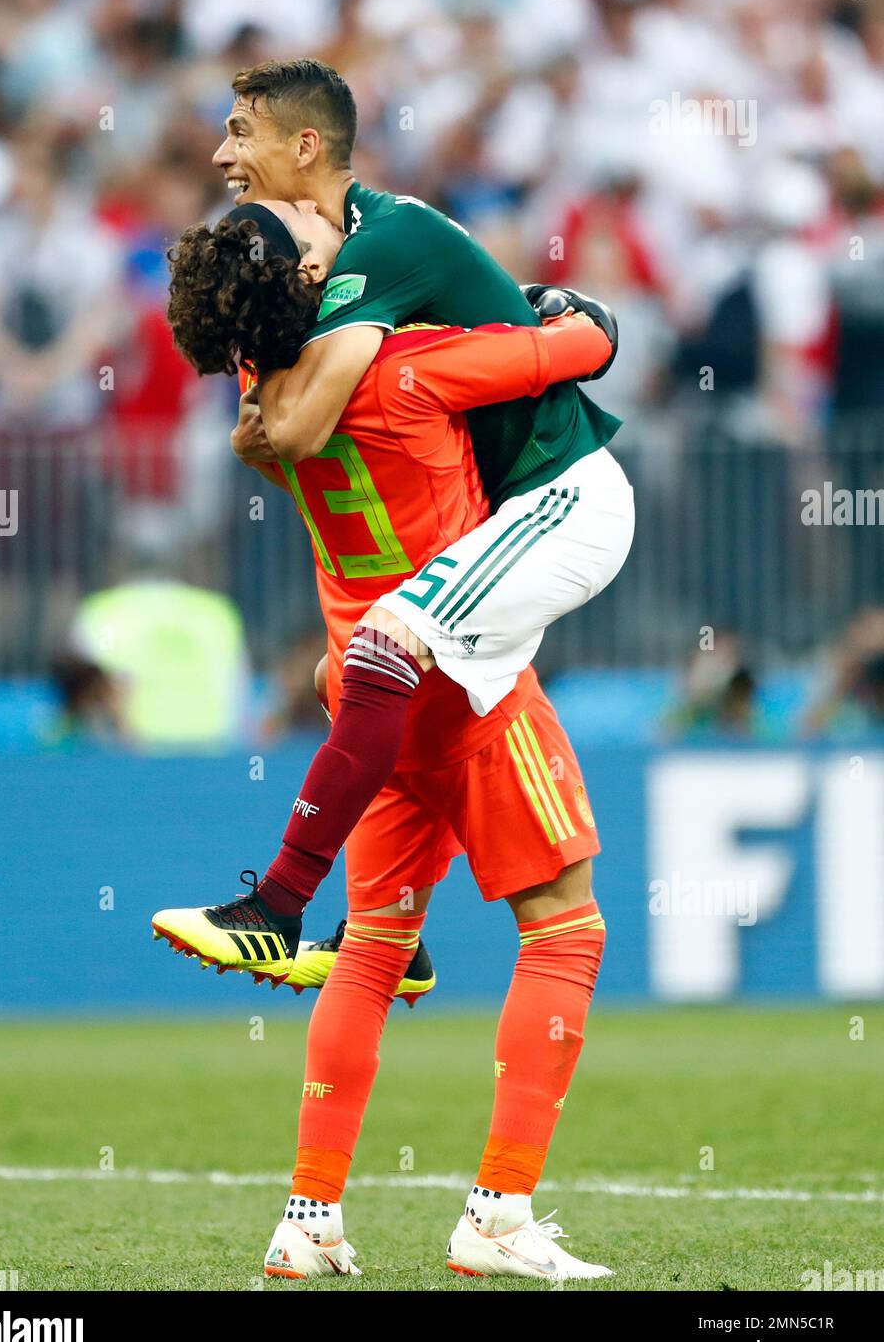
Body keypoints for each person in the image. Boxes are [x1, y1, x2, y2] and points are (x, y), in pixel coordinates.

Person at [157, 206, 613, 1282]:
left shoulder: (261, 409)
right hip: (463, 683)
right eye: (314, 250)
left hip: (365, 694)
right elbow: (573, 346)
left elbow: (284, 441)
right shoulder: (409, 368)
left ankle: (306, 1220)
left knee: (369, 949)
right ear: (310, 284)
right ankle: (497, 1212)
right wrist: (577, 313)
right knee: (564, 929)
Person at [155, 58, 633, 975]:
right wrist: (576, 322)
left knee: (381, 662)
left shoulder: (384, 245)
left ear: (305, 146)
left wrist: (587, 330)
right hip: (486, 520)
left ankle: (290, 905)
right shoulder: (344, 283)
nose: (221, 153)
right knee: (387, 687)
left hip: (554, 497)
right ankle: (382, 926)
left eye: (239, 132)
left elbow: (290, 432)